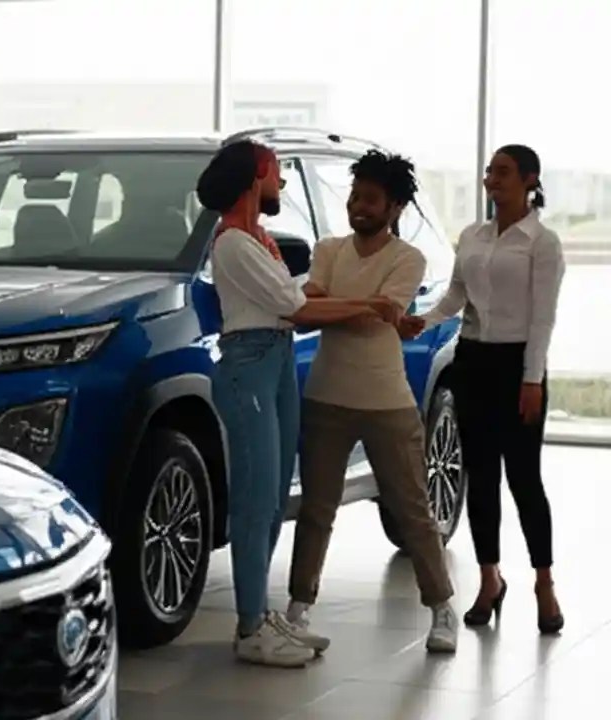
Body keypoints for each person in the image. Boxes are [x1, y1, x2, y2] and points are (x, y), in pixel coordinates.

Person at [197, 140, 395, 667]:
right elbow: (294, 305)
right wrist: (368, 304)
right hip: (250, 365)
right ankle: (249, 628)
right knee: (255, 500)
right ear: (257, 174)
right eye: (278, 173)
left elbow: (294, 295)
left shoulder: (259, 238)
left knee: (275, 495)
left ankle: (263, 617)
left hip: (277, 359)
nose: (282, 184)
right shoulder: (234, 242)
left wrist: (353, 297)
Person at [283, 150, 458, 655]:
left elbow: (347, 316)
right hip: (325, 397)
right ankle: (299, 607)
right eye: (355, 197)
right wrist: (367, 304)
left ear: (395, 207)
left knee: (413, 510)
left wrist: (349, 308)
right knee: (316, 510)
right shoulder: (329, 249)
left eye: (371, 199)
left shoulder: (408, 260)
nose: (358, 206)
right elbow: (305, 313)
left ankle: (441, 608)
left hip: (387, 402)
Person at [401, 144, 565, 634]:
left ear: (530, 180)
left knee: (524, 479)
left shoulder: (543, 242)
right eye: (490, 171)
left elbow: (543, 319)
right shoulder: (472, 235)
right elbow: (455, 295)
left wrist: (532, 379)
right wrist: (423, 321)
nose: (492, 179)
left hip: (517, 365)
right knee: (481, 475)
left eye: (504, 172)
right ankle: (489, 579)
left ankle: (544, 581)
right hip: (472, 359)